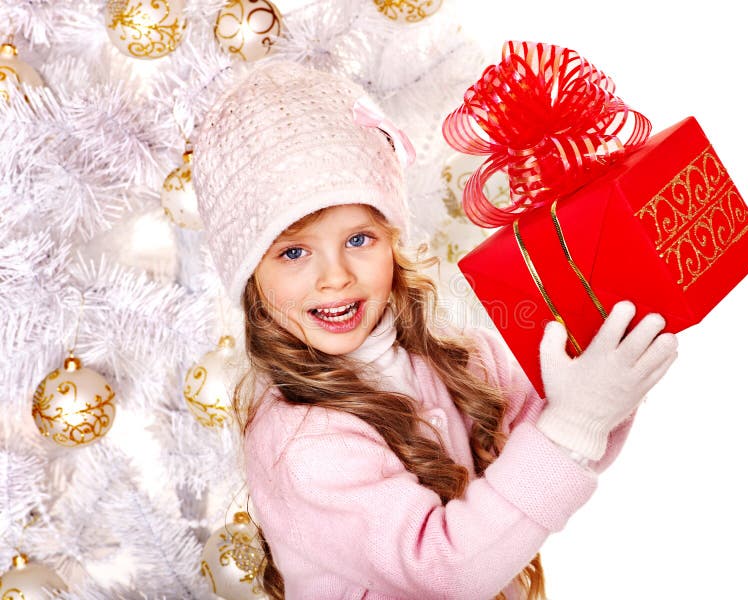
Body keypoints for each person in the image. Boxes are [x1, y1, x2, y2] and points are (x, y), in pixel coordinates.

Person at [192, 59, 679, 600]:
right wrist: (575, 424)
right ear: (252, 279)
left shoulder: (451, 358)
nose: (335, 277)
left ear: (392, 242)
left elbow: (555, 413)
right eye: (294, 252)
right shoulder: (300, 442)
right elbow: (443, 570)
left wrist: (603, 355)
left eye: (359, 239)